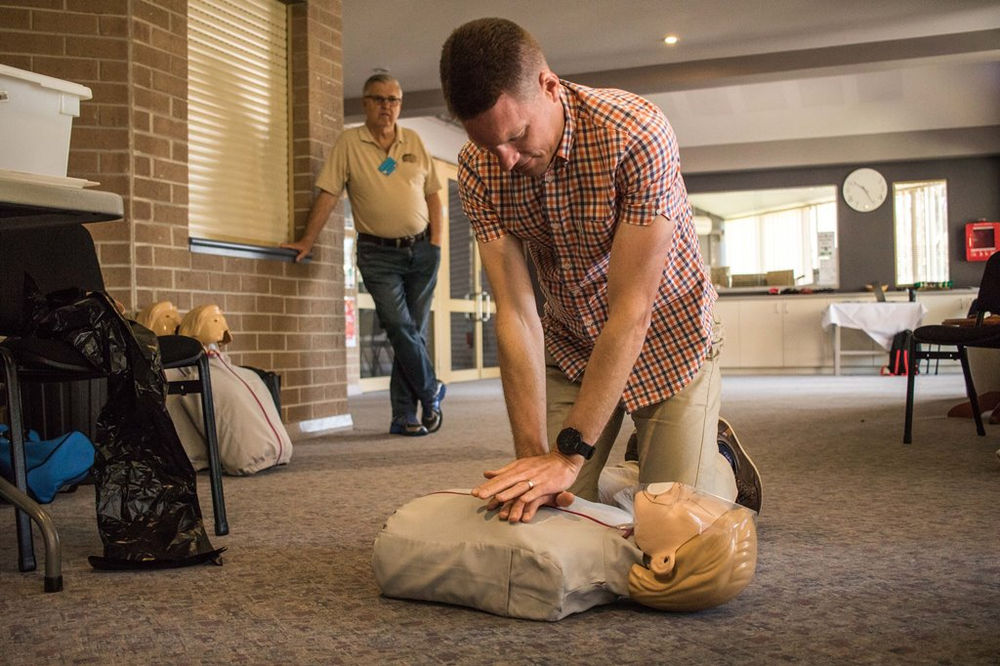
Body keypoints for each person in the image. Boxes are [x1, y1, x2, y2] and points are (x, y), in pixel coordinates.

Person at [439, 18, 762, 521]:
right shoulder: (478, 169)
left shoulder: (635, 133)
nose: (504, 161)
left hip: (667, 337)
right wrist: (534, 462)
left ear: (549, 85)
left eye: (518, 136)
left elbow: (632, 310)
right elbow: (517, 314)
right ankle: (639, 469)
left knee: (672, 527)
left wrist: (568, 454)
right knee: (551, 515)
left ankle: (716, 458)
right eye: (488, 145)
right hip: (572, 344)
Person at [283, 73, 446, 436]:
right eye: (379, 99)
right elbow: (328, 194)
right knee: (400, 327)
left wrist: (436, 243)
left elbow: (434, 195)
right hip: (378, 253)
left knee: (413, 332)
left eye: (394, 100)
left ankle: (405, 416)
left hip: (421, 251)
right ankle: (430, 389)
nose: (387, 106)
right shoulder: (349, 143)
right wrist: (307, 240)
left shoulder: (414, 141)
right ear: (365, 103)